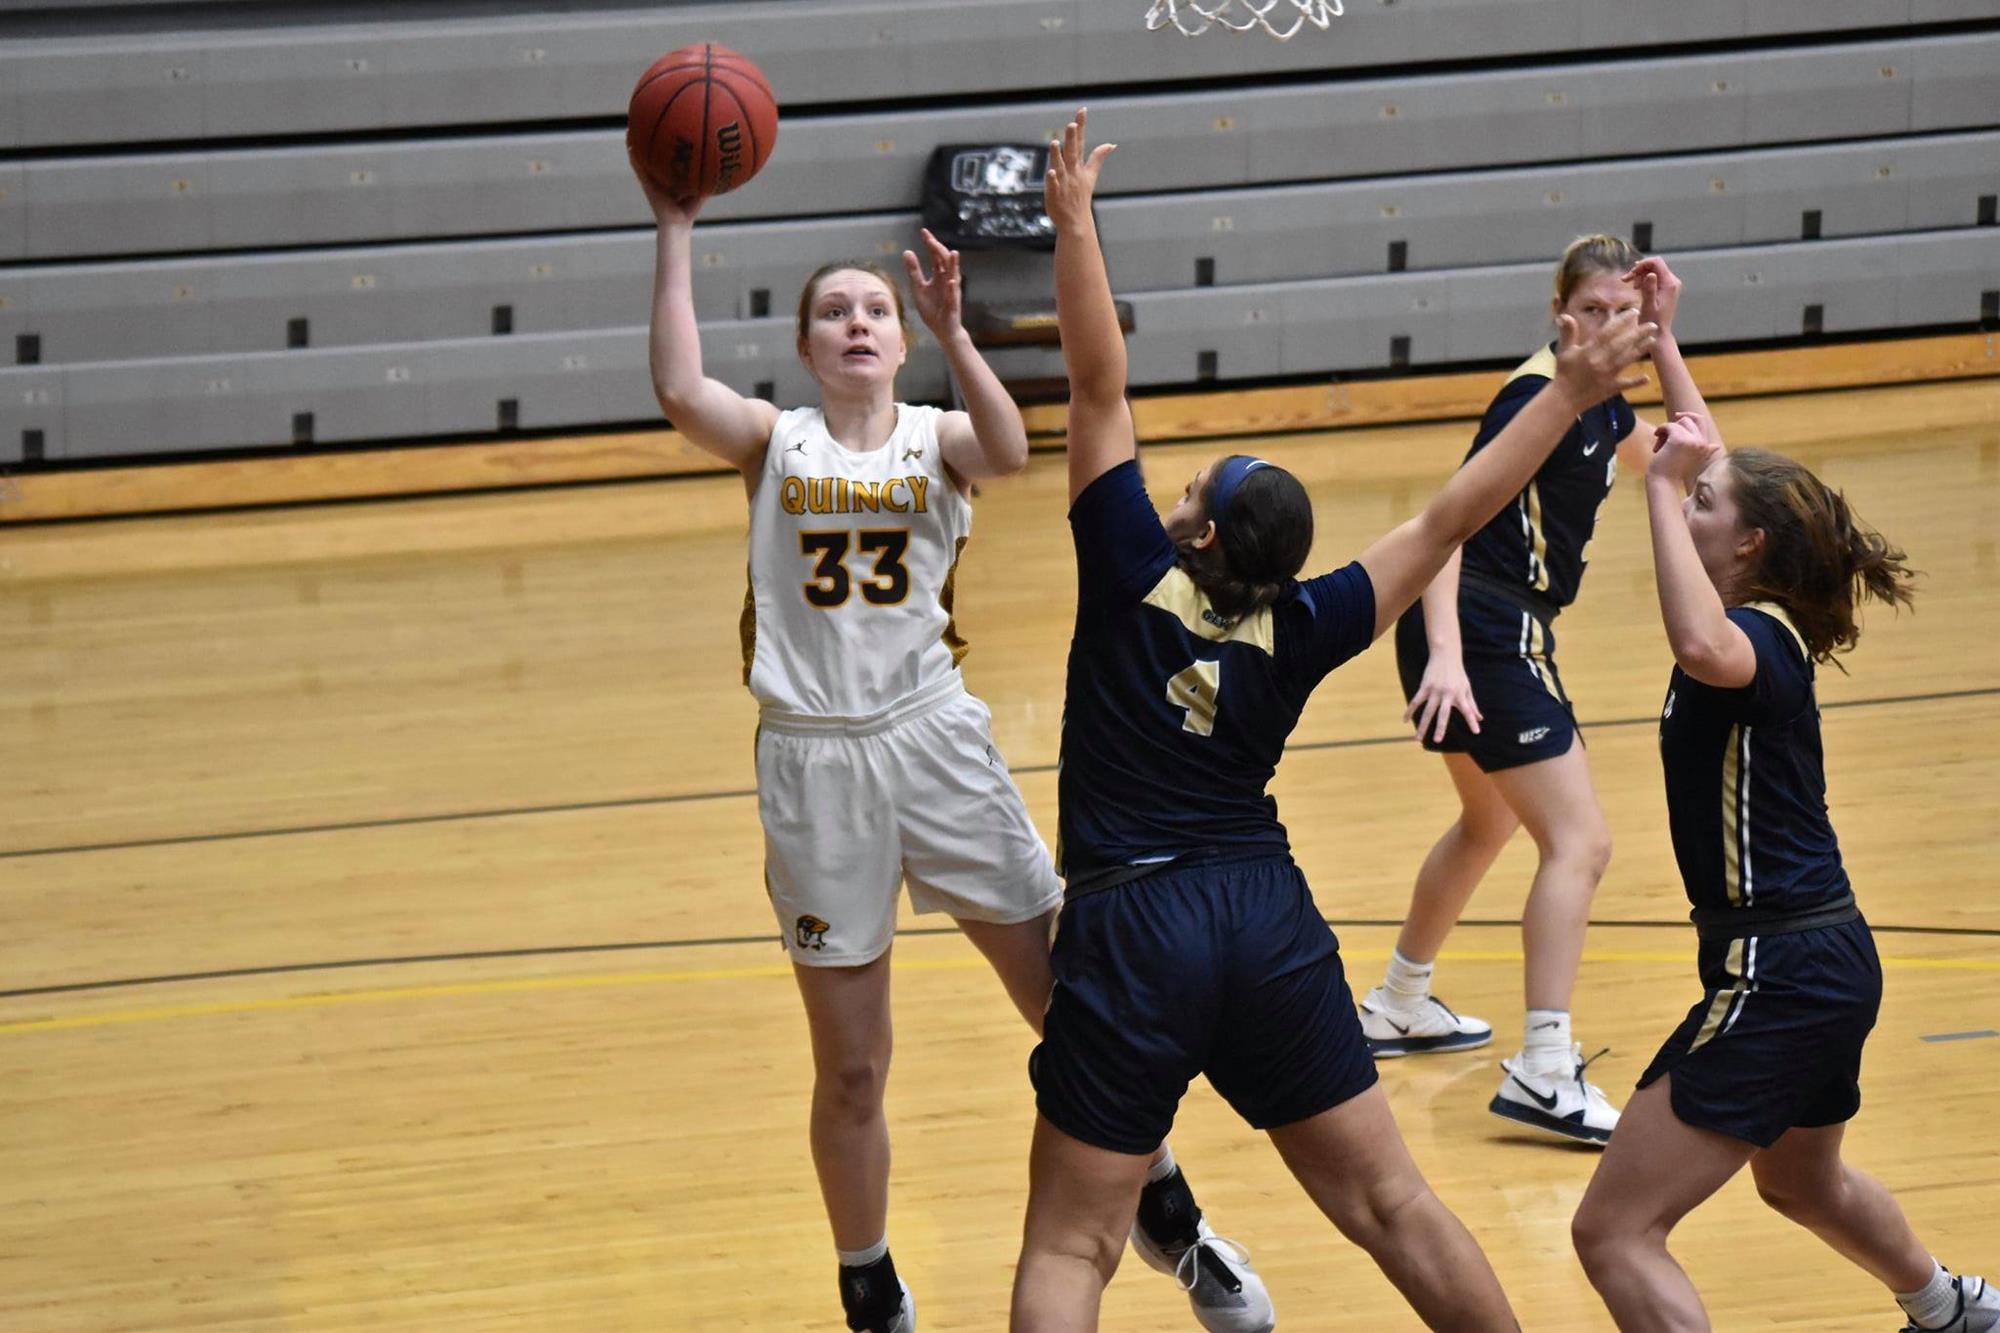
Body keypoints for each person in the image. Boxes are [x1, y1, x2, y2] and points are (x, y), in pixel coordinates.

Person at [1010, 108, 1655, 1333]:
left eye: (1187, 488)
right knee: (1392, 1204)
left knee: (1069, 1238)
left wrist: (1076, 226)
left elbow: (1097, 379)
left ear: (1193, 533)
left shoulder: (1126, 567)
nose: (1171, 487)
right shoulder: (1311, 623)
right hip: (1261, 914)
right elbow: (1451, 514)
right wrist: (1572, 389)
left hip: (1132, 918)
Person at [635, 164, 1247, 1333]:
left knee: (1072, 1005)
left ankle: (1167, 1204)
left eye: (876, 309)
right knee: (852, 1067)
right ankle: (868, 1280)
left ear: (897, 335)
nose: (859, 324)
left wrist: (955, 332)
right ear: (808, 344)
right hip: (814, 766)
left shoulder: (935, 433)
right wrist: (675, 229)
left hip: (933, 743)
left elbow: (1014, 450)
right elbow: (676, 386)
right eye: (836, 312)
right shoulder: (773, 440)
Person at [1568, 258, 1994, 1333]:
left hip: (1781, 966)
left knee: (1610, 1229)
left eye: (1701, 503)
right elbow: (1706, 458)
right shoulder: (1761, 611)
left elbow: (1691, 630)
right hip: (1825, 959)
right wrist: (1663, 345)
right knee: (1797, 1181)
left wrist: (1664, 489)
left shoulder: (1745, 638)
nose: (1681, 488)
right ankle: (1954, 1311)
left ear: (1744, 545)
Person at [1361, 233, 1662, 1145]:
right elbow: (1449, 517)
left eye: (1629, 314)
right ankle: (1544, 1066)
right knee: (1581, 841)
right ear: (1562, 316)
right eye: (1596, 313)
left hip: (1491, 628)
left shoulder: (1608, 407)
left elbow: (1699, 459)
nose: (1611, 329)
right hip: (1482, 628)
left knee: (1490, 821)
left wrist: (1669, 345)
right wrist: (1447, 652)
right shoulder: (1541, 395)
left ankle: (1399, 1000)